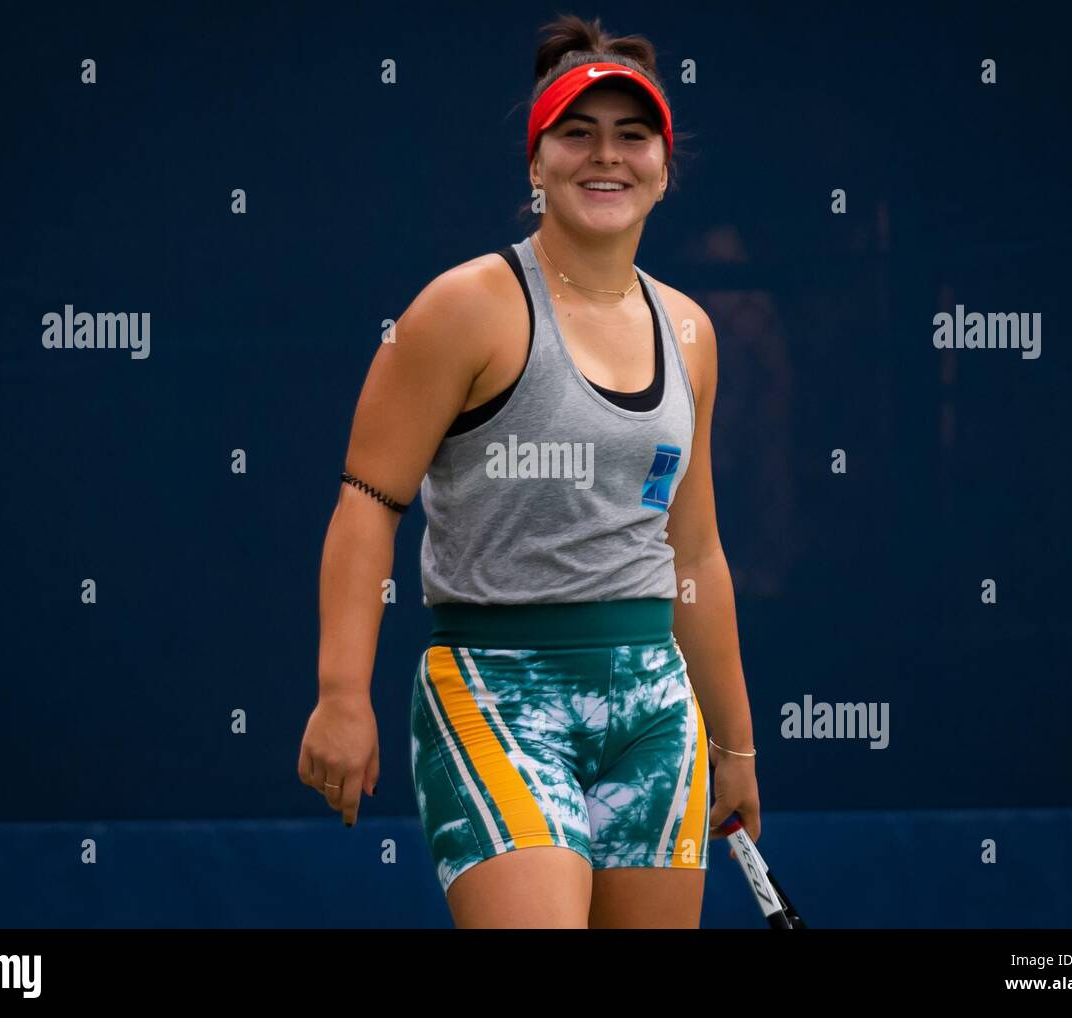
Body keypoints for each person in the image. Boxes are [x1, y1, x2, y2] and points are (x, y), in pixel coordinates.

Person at [297, 14, 760, 928]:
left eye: (635, 137)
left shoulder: (694, 334)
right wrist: (341, 695)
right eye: (576, 134)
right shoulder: (465, 307)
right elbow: (367, 501)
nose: (607, 156)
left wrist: (735, 750)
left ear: (665, 172)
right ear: (535, 164)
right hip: (493, 690)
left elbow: (696, 557)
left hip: (657, 714)